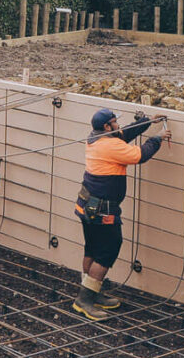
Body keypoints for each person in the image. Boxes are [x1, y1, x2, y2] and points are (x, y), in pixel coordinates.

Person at [72, 108, 168, 320]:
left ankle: (91, 292)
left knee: (93, 249)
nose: (117, 125)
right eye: (115, 122)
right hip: (101, 209)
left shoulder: (96, 138)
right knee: (108, 250)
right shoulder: (110, 145)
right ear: (107, 127)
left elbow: (124, 134)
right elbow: (140, 155)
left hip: (87, 203)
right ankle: (85, 300)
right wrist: (157, 138)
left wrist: (147, 122)